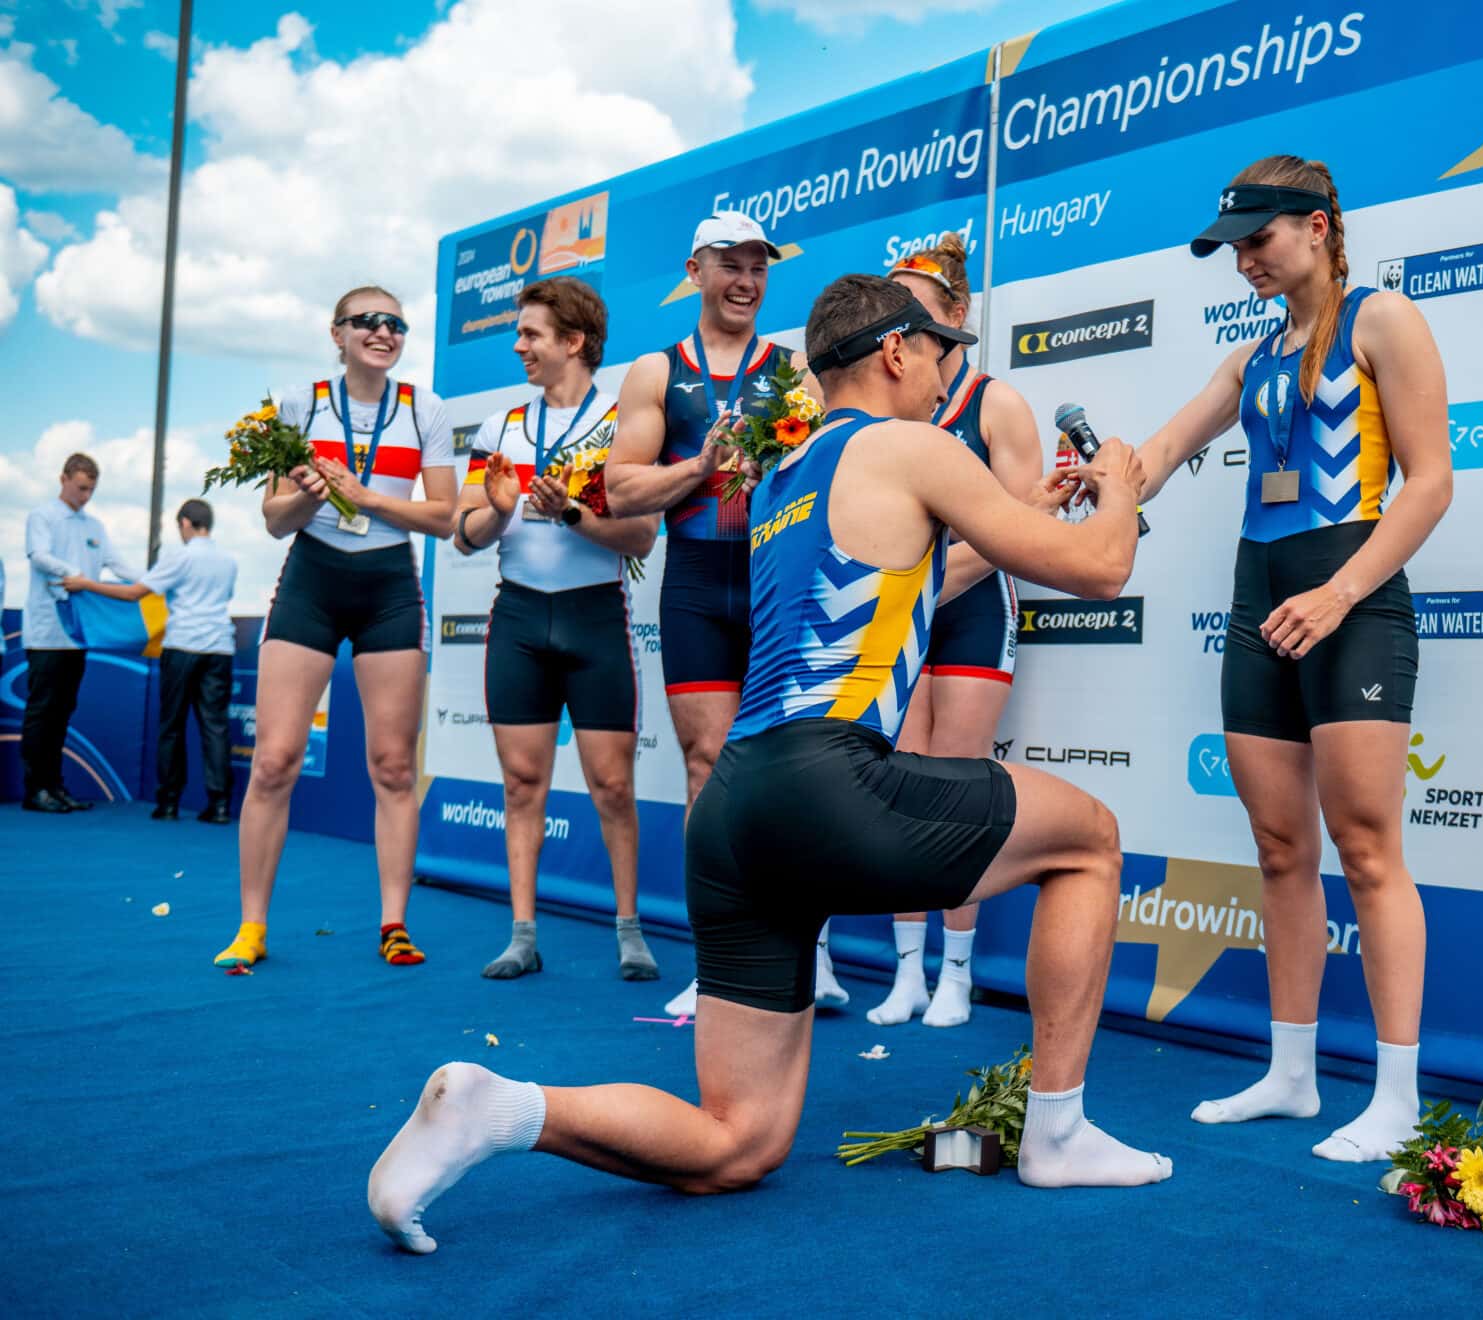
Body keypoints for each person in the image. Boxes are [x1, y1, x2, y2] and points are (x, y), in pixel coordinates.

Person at [367, 274, 1168, 1253]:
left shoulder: (786, 476)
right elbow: (1101, 568)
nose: (949, 372)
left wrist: (1016, 519)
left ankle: (503, 1109)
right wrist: (1120, 488)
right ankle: (1058, 1134)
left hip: (737, 811)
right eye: (942, 352)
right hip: (829, 785)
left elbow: (901, 584)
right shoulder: (914, 445)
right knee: (1089, 840)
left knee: (738, 1145)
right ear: (895, 354)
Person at [1134, 157, 1453, 1161]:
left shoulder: (1382, 320)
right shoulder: (1254, 354)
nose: (1243, 263)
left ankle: (1396, 1096)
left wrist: (1339, 591)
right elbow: (1160, 452)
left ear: (1318, 226)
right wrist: (1092, 481)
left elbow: (1431, 482)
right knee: (1279, 851)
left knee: (1366, 850)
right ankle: (1292, 1074)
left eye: (1258, 240)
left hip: (1347, 604)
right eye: (1233, 248)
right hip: (1258, 600)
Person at [604, 211, 845, 1016]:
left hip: (779, 578)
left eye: (758, 267)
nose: (745, 280)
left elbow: (834, 472)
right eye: (730, 265)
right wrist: (702, 466)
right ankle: (718, 961)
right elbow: (620, 488)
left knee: (795, 761)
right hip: (701, 581)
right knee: (707, 766)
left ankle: (810, 948)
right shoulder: (654, 372)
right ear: (695, 270)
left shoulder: (798, 368)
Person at [212, 285, 458, 970]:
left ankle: (394, 924)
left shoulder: (423, 408)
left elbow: (443, 516)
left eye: (396, 324)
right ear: (337, 332)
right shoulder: (300, 404)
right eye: (368, 322)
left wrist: (366, 495)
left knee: (392, 765)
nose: (384, 332)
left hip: (388, 587)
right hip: (312, 580)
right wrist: (306, 496)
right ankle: (251, 927)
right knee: (274, 760)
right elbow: (274, 519)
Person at [453, 277, 662, 981]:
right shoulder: (501, 426)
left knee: (611, 786)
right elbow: (465, 535)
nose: (518, 346)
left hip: (593, 615)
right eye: (518, 333)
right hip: (518, 617)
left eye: (531, 334)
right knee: (520, 784)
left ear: (573, 342)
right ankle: (521, 935)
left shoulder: (621, 424)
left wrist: (573, 512)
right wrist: (498, 508)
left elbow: (640, 539)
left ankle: (630, 931)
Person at [866, 237, 1041, 1029]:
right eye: (891, 300)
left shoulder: (993, 401)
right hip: (901, 616)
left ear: (958, 313)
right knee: (900, 787)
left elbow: (1024, 519)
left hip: (971, 610)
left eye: (918, 301)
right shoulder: (884, 405)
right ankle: (906, 971)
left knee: (959, 790)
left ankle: (958, 974)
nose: (901, 316)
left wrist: (933, 581)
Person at [64, 498, 239, 822]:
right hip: (220, 648)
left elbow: (135, 593)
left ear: (185, 523)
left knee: (171, 726)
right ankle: (220, 805)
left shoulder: (180, 557)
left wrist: (87, 584)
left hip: (183, 645)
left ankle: (169, 802)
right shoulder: (229, 561)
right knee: (214, 727)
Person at [21, 452, 140, 814]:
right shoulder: (42, 516)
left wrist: (150, 583)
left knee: (63, 711)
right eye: (81, 488)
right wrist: (75, 574)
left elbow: (118, 564)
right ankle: (36, 789)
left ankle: (56, 787)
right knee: (42, 711)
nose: (86, 495)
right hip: (45, 633)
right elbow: (38, 555)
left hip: (78, 635)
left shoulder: (95, 526)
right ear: (64, 479)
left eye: (91, 490)